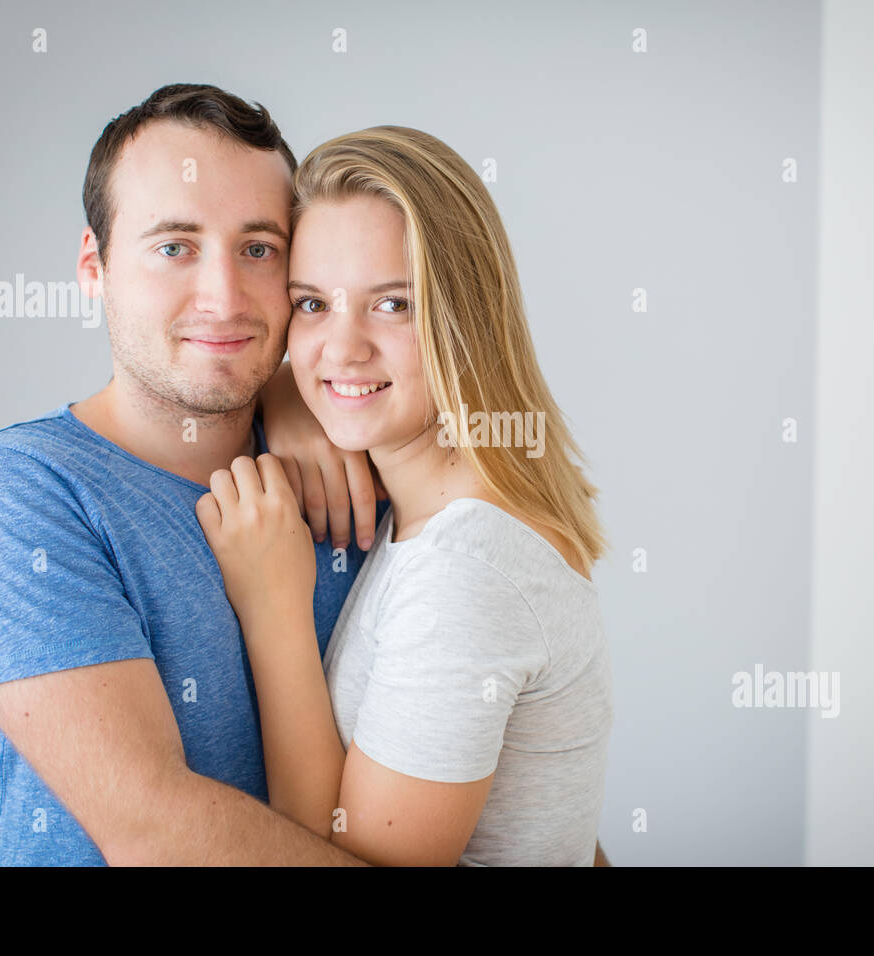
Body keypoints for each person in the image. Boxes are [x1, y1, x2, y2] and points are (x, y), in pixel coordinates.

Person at [0, 84, 387, 865]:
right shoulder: (12, 497)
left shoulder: (358, 461)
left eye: (259, 249)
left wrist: (298, 403)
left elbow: (489, 744)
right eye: (175, 247)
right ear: (93, 269)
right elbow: (156, 831)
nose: (224, 297)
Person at [199, 126, 614, 865]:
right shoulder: (438, 514)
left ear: (466, 318)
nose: (343, 347)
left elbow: (342, 858)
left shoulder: (465, 570)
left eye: (393, 305)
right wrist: (283, 398)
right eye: (313, 304)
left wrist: (273, 610)